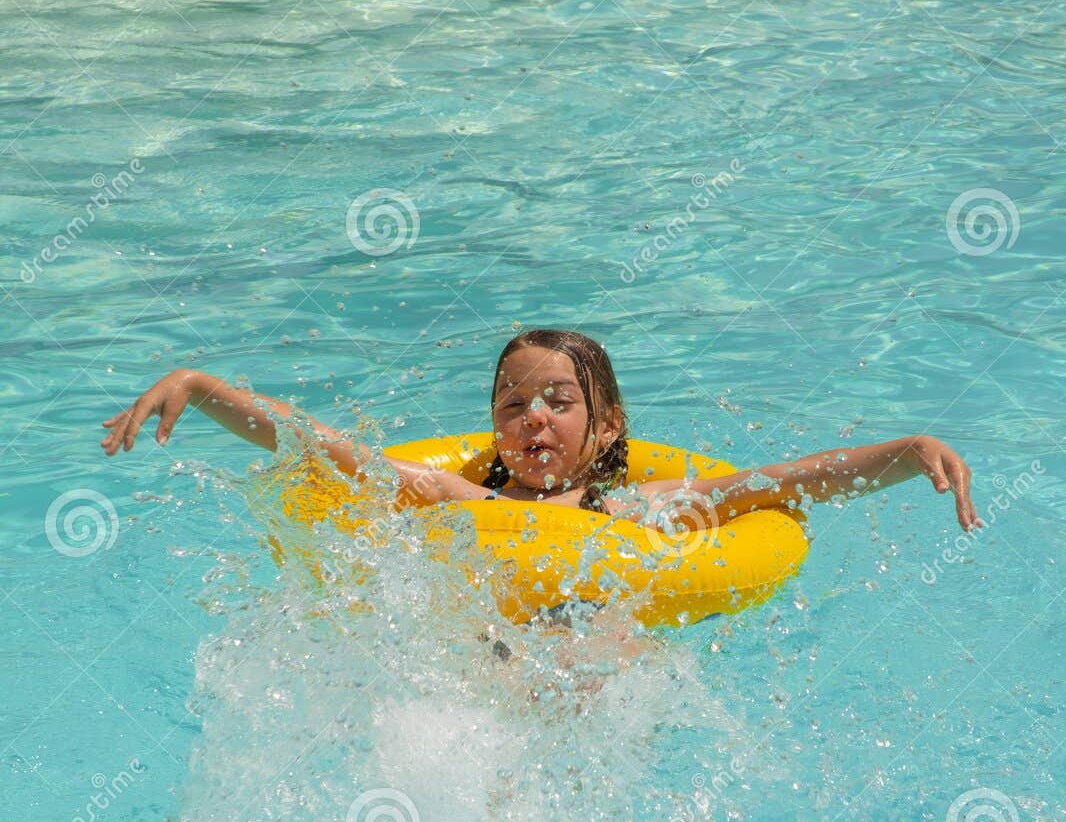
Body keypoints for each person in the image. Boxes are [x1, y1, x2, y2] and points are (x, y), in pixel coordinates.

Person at [102, 327, 980, 531]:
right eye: (515, 402)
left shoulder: (634, 509)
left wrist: (910, 452)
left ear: (606, 429)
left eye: (560, 401)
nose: (534, 417)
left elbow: (785, 482)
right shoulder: (450, 495)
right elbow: (325, 446)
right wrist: (204, 387)